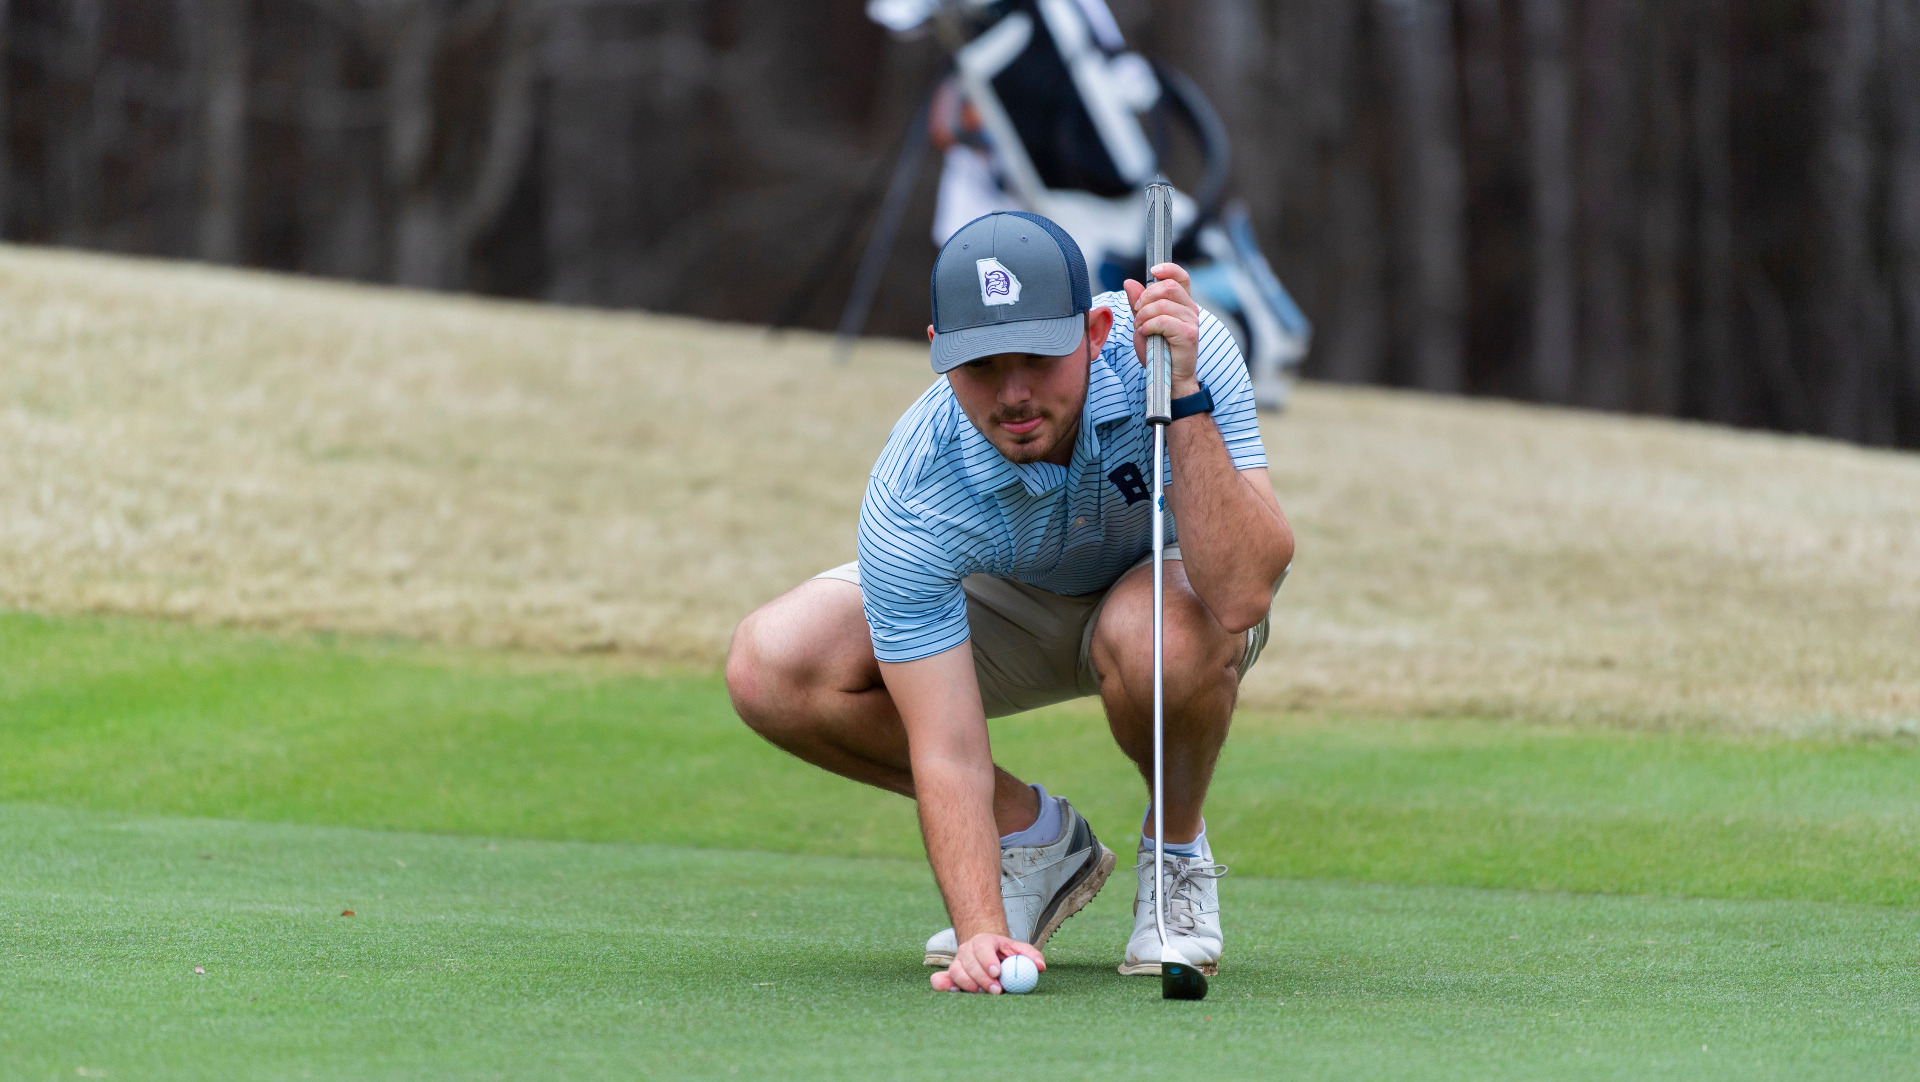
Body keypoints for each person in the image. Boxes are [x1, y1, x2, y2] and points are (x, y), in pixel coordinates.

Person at [726, 210, 1293, 994]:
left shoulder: (1178, 351)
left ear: (1095, 331)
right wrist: (980, 932)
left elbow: (1243, 591)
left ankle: (1176, 855)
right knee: (771, 665)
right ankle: (1033, 841)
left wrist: (1186, 395)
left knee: (1161, 638)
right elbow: (947, 746)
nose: (1014, 392)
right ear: (938, 354)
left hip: (1168, 593)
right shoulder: (913, 485)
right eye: (983, 366)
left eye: (1037, 357)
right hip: (1017, 600)